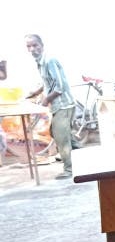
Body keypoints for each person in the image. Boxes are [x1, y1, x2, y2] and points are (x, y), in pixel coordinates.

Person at [25, 34, 76, 179]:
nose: (32, 49)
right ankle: (86, 158)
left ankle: (69, 170)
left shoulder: (50, 60)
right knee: (59, 134)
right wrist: (36, 93)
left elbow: (58, 87)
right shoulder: (40, 61)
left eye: (35, 45)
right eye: (29, 46)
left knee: (61, 138)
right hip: (57, 106)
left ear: (42, 45)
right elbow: (47, 82)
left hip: (64, 105)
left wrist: (45, 99)